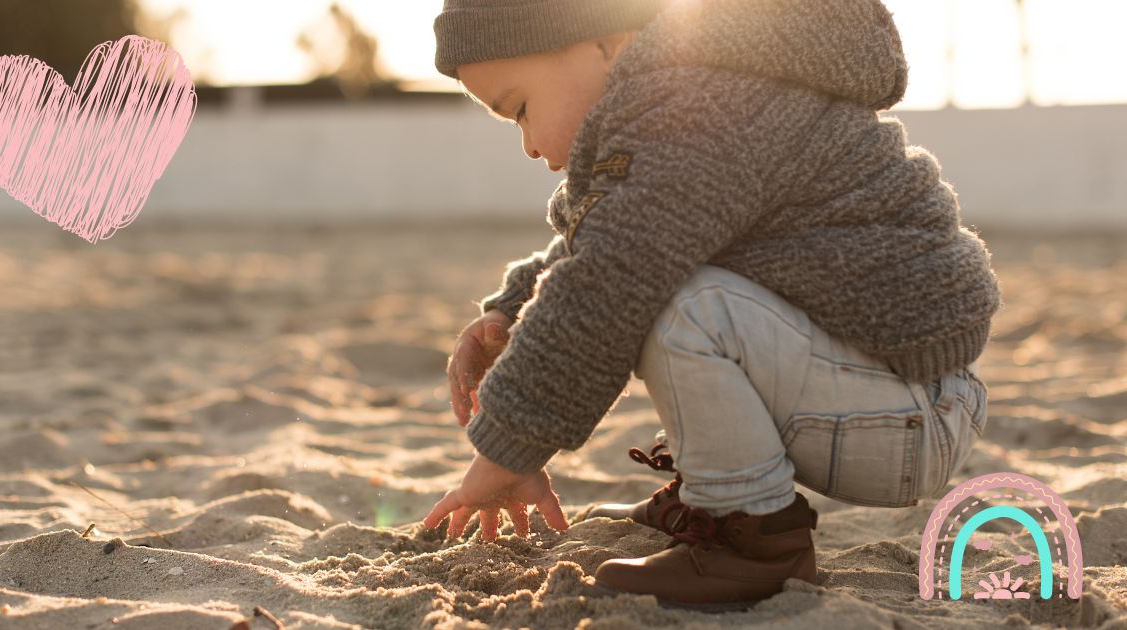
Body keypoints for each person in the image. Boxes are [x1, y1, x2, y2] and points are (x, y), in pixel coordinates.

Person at [421, 0, 1000, 607]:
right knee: (667, 273)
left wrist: (507, 445)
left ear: (607, 44)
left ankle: (755, 543)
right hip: (889, 390)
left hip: (908, 413)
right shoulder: (696, 97)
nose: (529, 146)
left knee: (679, 303)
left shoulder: (704, 106)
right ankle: (717, 493)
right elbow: (607, 234)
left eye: (520, 109)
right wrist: (510, 312)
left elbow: (612, 271)